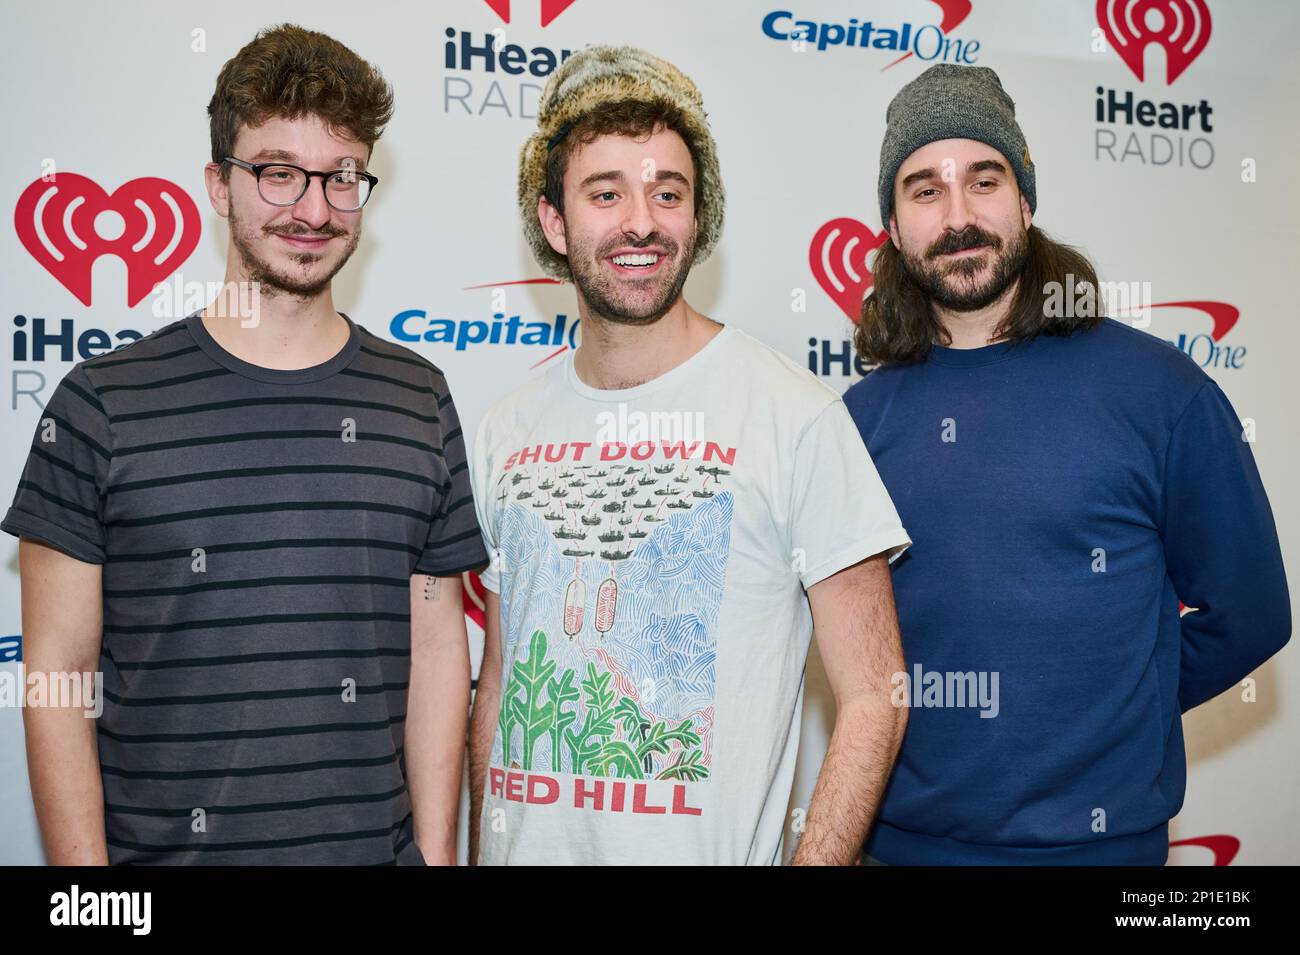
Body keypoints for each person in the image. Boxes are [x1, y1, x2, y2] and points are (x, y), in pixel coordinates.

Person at [2, 24, 486, 864]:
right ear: (218, 186)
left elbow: (440, 649)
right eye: (277, 173)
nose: (313, 208)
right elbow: (54, 679)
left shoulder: (418, 395)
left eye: (341, 177)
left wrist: (438, 858)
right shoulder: (99, 405)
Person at [466, 45, 911, 866]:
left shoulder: (793, 416)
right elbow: (497, 682)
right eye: (607, 194)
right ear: (555, 222)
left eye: (667, 193)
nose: (641, 221)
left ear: (697, 219)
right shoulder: (503, 431)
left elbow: (875, 695)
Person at [844, 63, 1291, 865]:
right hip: (899, 849)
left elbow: (1250, 612)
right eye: (924, 189)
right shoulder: (853, 422)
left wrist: (1113, 714)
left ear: (1026, 200)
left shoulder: (1160, 392)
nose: (958, 216)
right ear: (891, 224)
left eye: (985, 180)